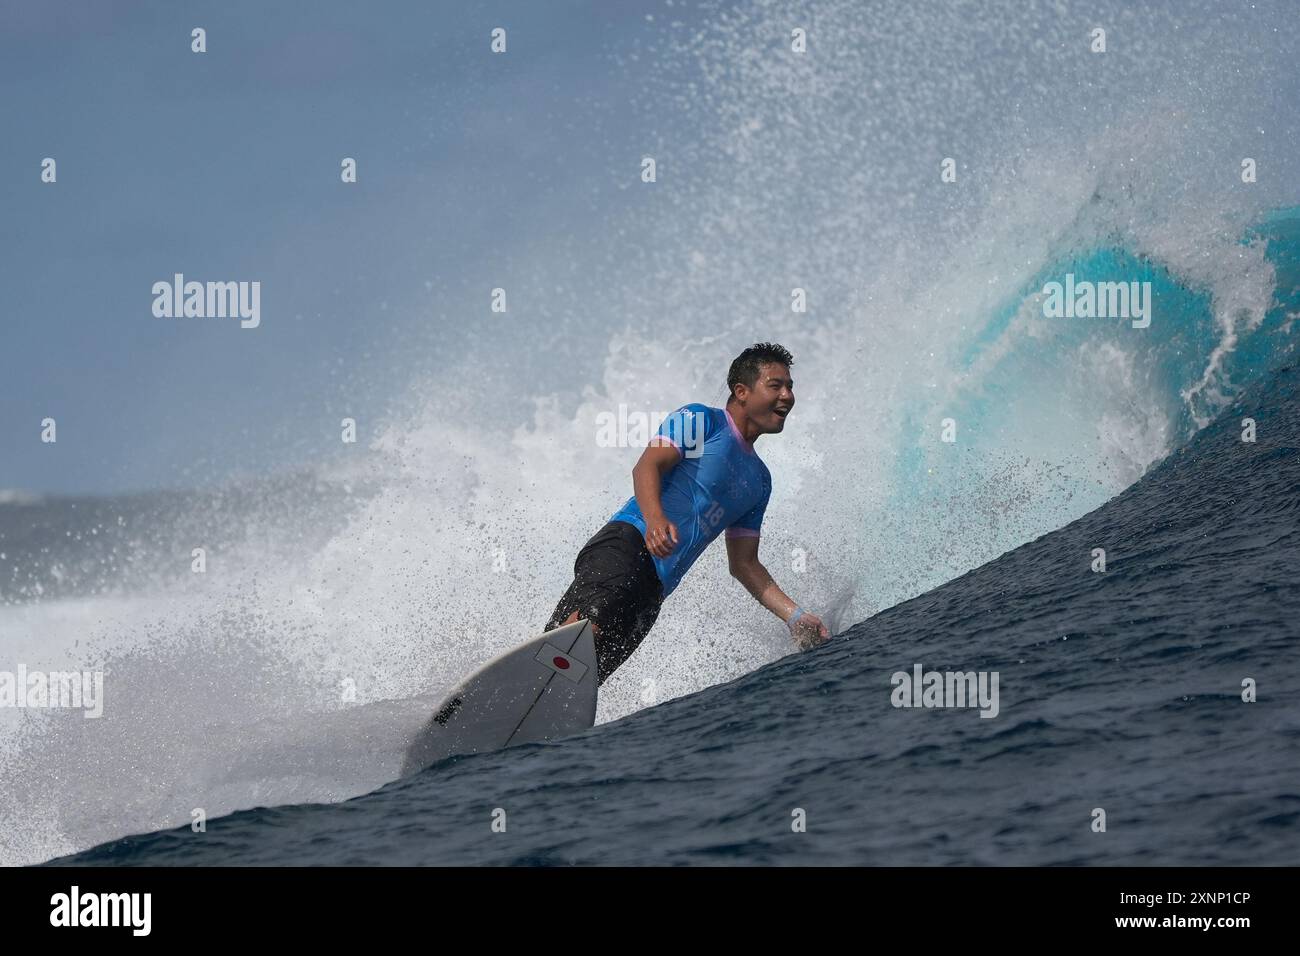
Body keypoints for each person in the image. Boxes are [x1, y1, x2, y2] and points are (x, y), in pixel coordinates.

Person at [546, 342, 831, 685]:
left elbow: (744, 564)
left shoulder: (760, 480)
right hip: (628, 545)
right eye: (776, 386)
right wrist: (654, 520)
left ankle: (537, 716)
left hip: (656, 589)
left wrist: (795, 616)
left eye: (790, 386)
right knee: (579, 634)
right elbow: (647, 466)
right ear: (741, 391)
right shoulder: (702, 421)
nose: (787, 395)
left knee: (586, 674)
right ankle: (527, 683)